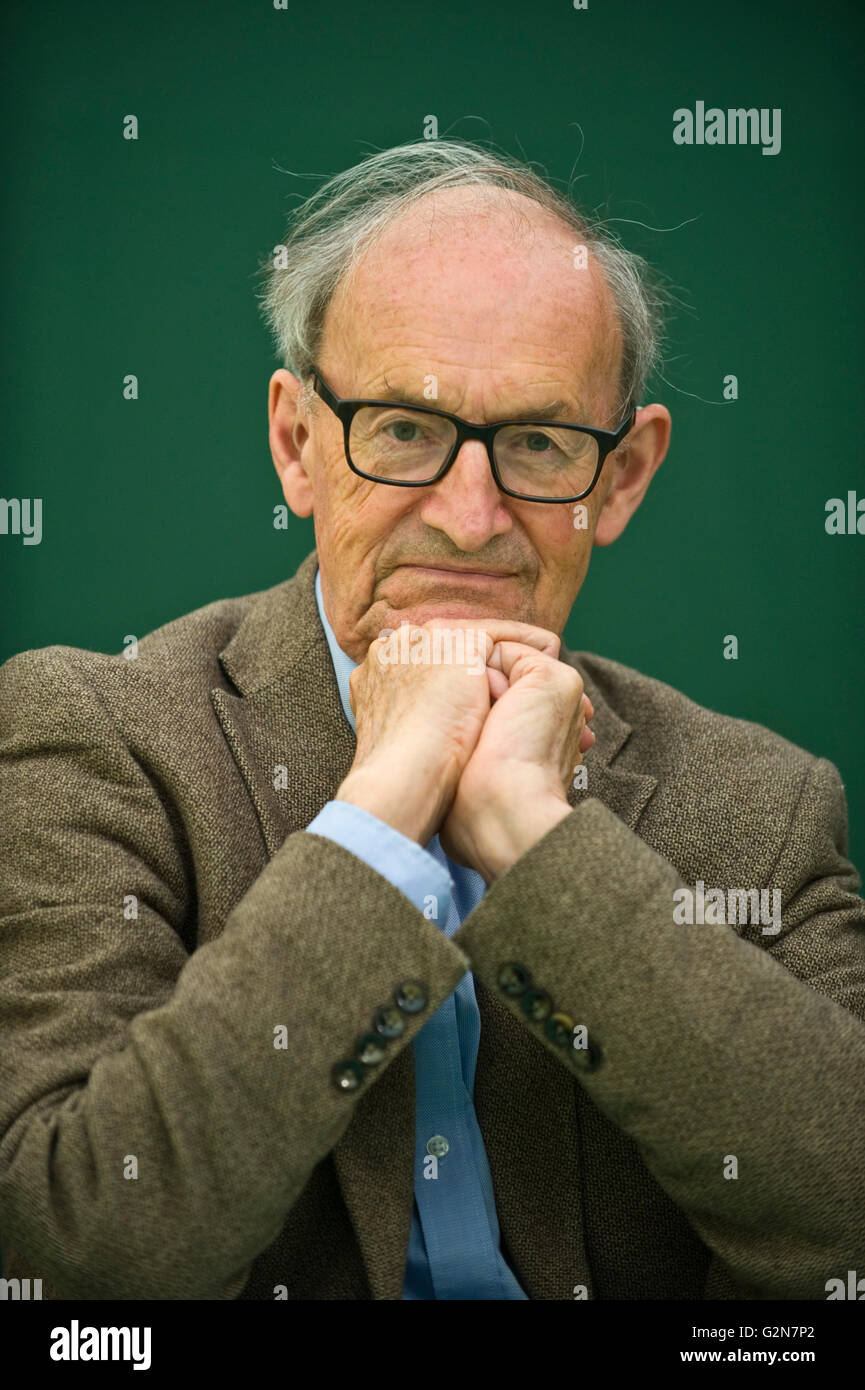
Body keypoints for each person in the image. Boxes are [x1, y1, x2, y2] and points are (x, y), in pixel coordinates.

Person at [1, 139, 864, 1302]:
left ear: (620, 478)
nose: (469, 519)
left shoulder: (762, 804)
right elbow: (81, 1258)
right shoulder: (88, 734)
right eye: (404, 428)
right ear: (298, 444)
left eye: (538, 444)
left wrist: (538, 839)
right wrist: (384, 805)